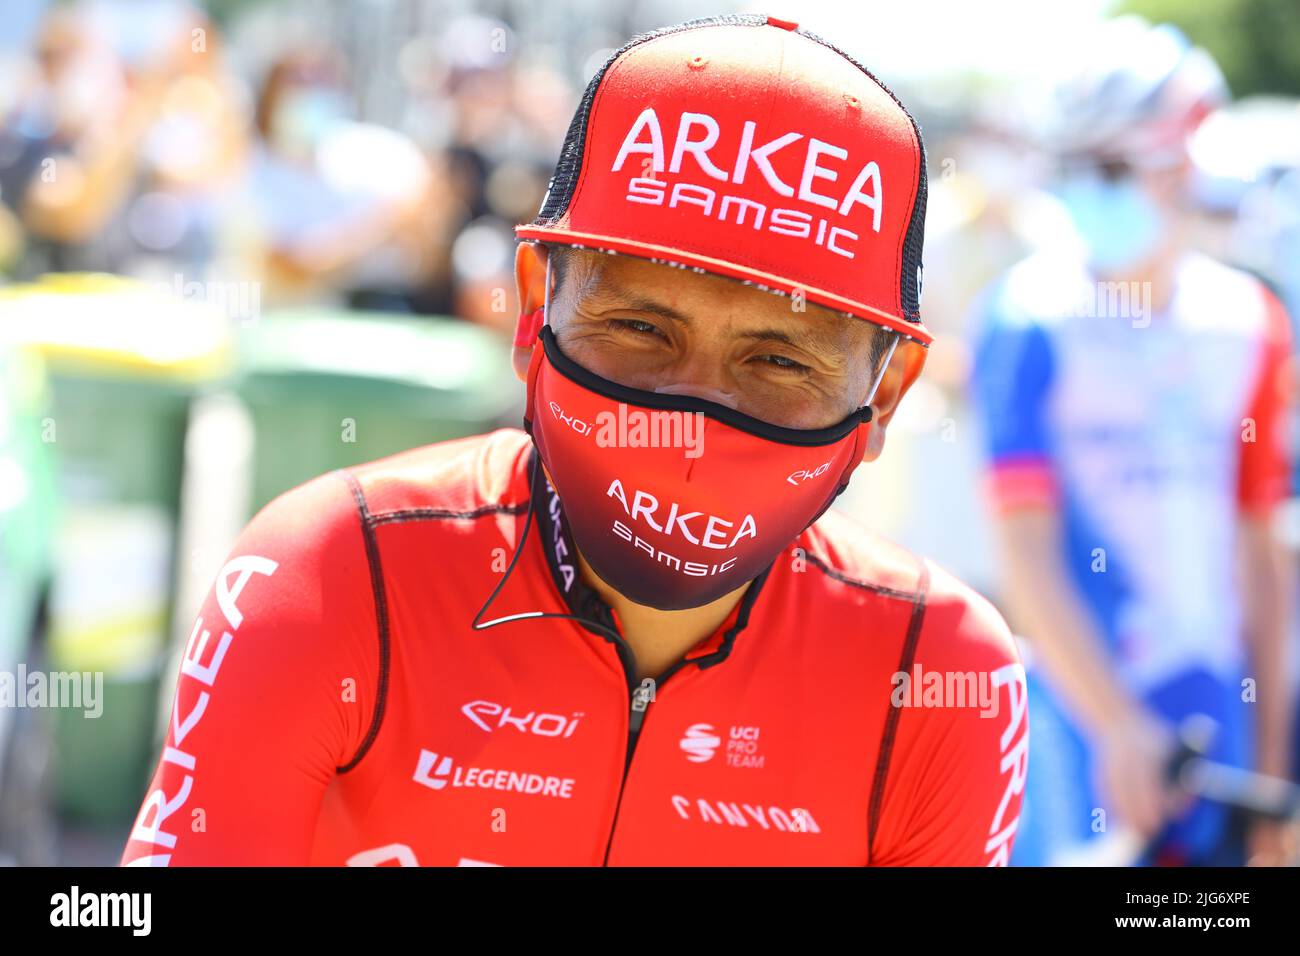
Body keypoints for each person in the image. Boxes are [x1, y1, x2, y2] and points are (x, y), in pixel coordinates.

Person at [120, 14, 1027, 867]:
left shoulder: (940, 677)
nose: (689, 418)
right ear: (530, 306)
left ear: (887, 398)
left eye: (779, 361)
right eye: (639, 327)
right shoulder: (334, 575)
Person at [969, 17, 1296, 866]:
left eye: (1113, 168)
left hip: (1222, 701)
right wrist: (1115, 722)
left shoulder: (1249, 322)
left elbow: (1259, 549)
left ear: (1184, 162)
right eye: (1074, 167)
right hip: (1083, 712)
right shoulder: (1025, 317)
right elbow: (1023, 547)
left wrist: (1268, 758)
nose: (1090, 191)